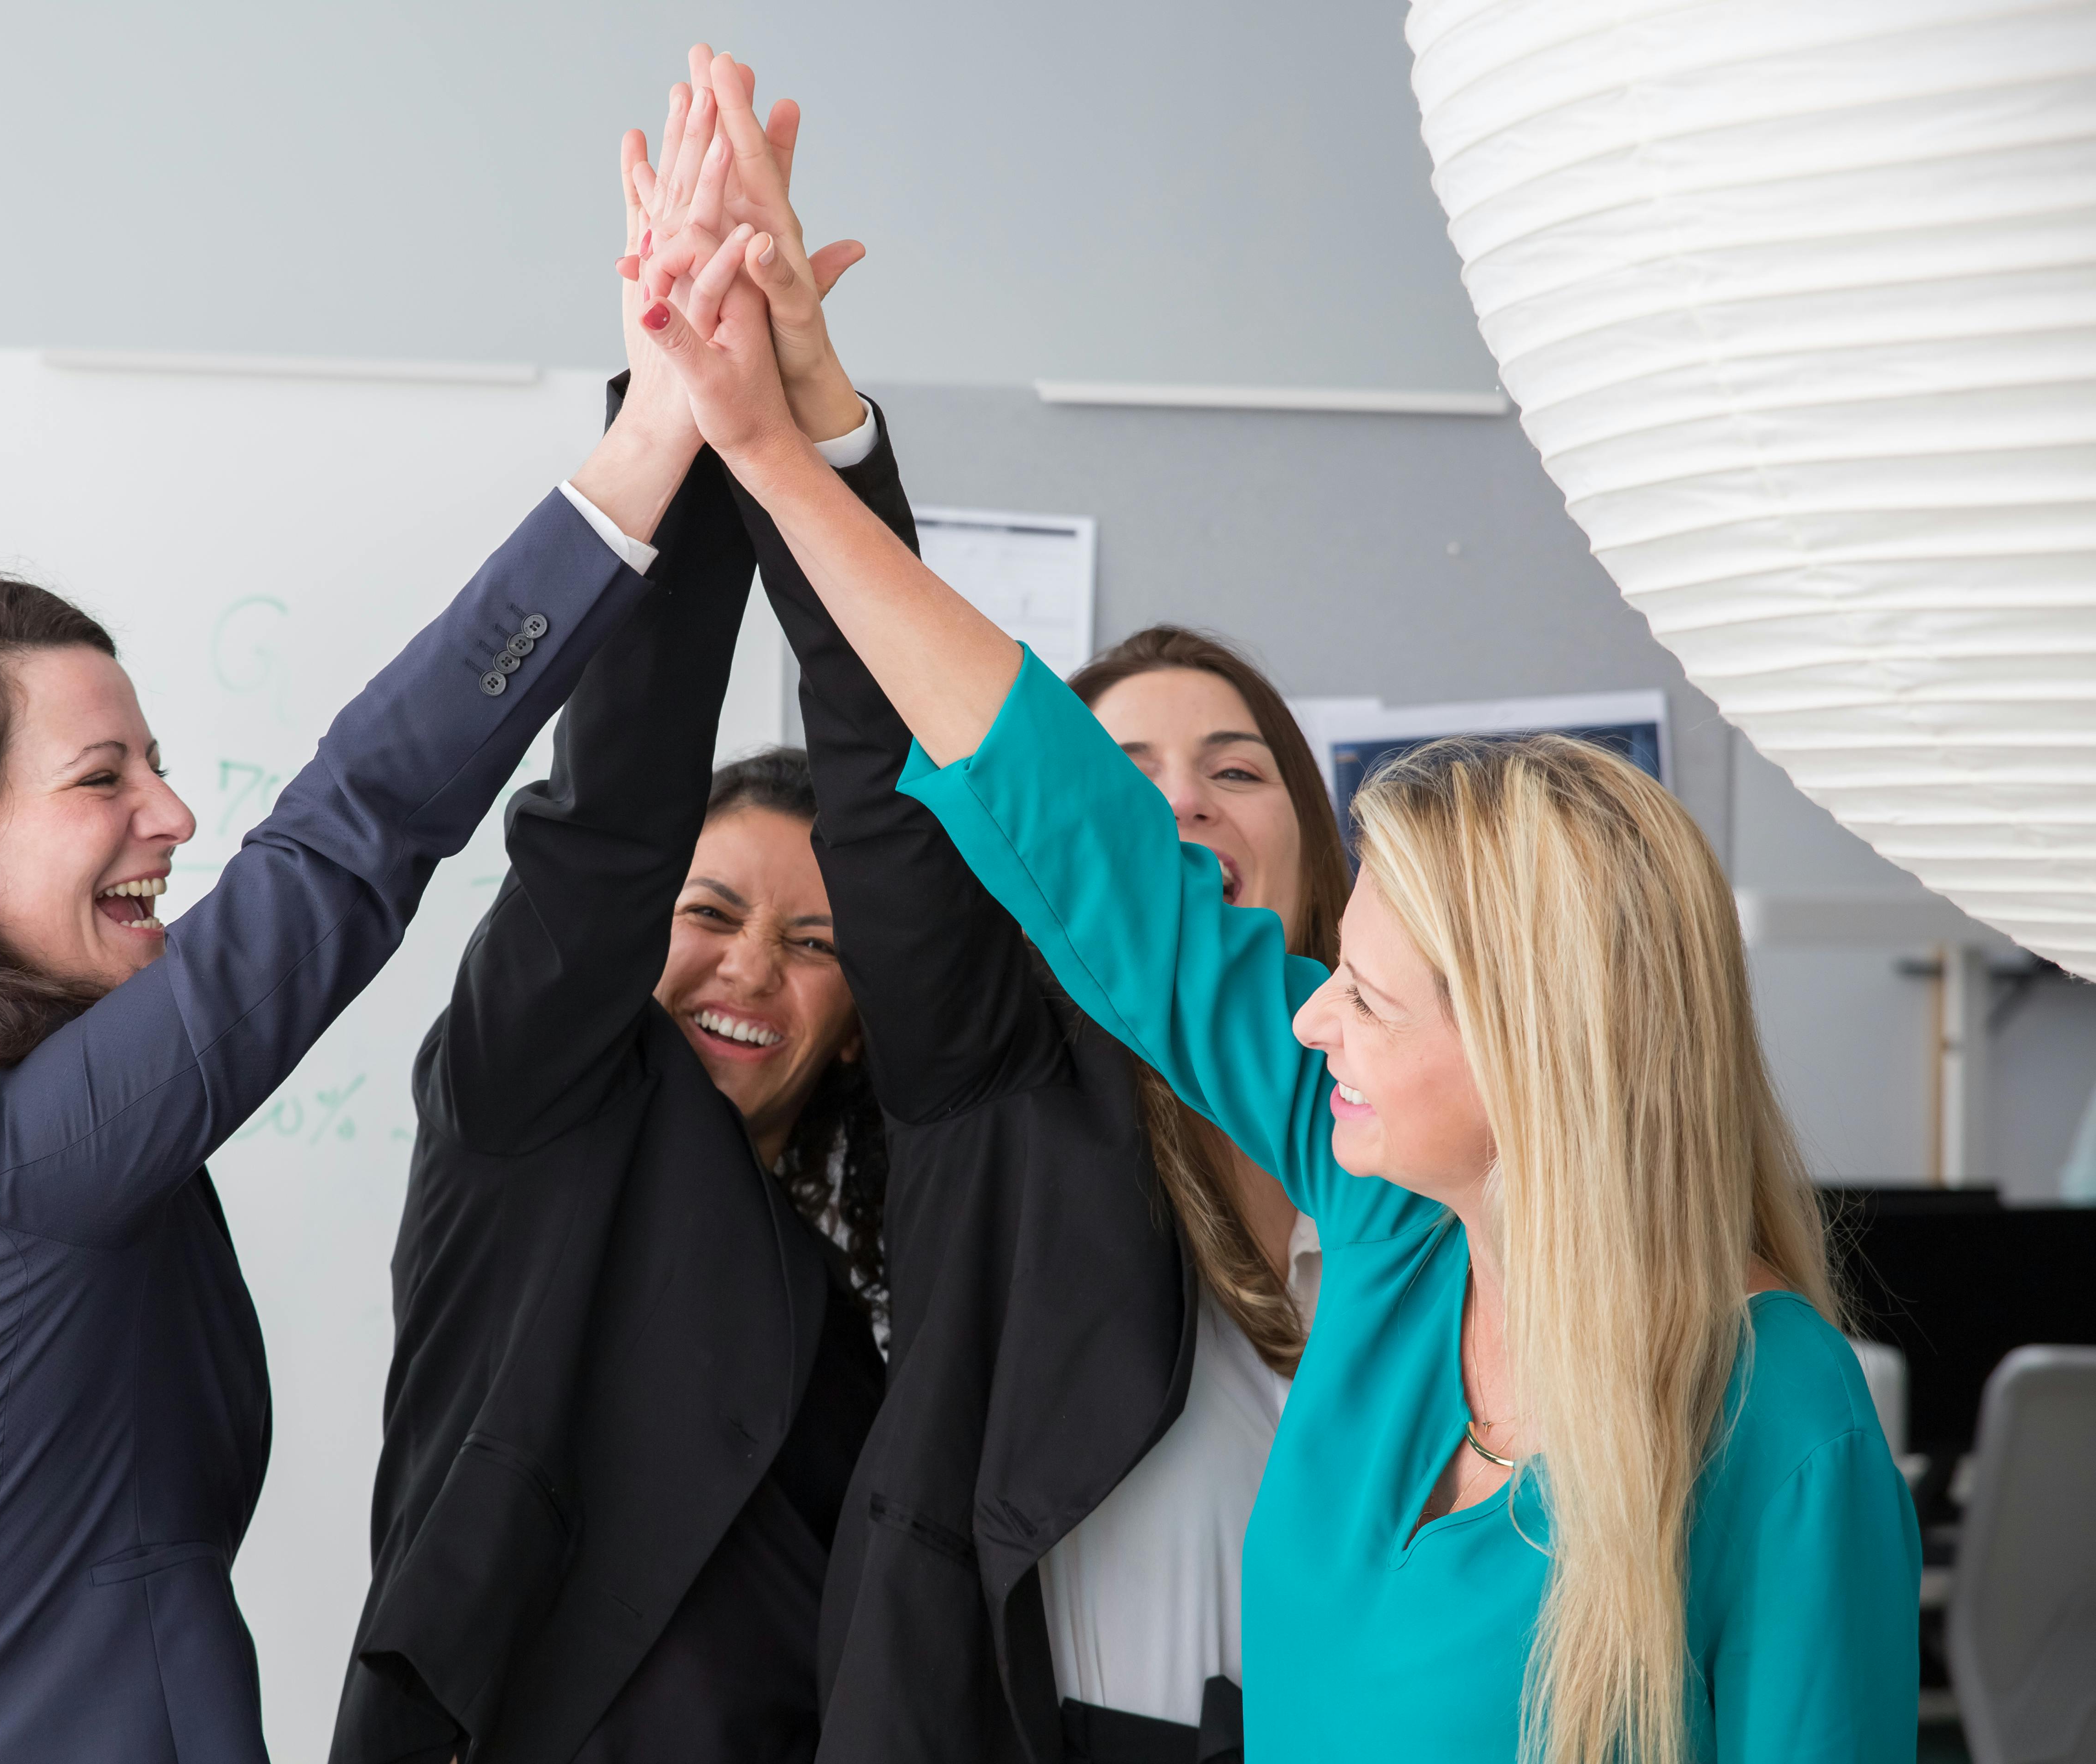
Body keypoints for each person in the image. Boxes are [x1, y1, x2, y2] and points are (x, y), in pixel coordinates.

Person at [639, 205, 1923, 1763]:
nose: (1313, 1014)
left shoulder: (1777, 1423)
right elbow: (1071, 817)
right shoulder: (1394, 1229)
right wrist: (781, 450)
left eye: (1368, 1000)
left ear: (1542, 1057)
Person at [0, 163, 711, 1762]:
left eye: (157, 766)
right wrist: (648, 447)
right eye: (102, 779)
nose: (176, 815)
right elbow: (353, 835)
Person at [637, 57, 1342, 1764]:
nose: (1174, 806)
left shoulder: (1400, 1142)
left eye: (1233, 772)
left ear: (1317, 847)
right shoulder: (1005, 1088)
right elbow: (917, 752)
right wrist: (809, 440)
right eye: (1127, 776)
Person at [331, 51, 899, 1764]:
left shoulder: (911, 1210)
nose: (750, 971)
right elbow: (605, 827)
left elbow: (917, 830)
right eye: (715, 913)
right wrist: (697, 418)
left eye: (815, 948)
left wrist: (821, 445)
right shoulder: (536, 1109)